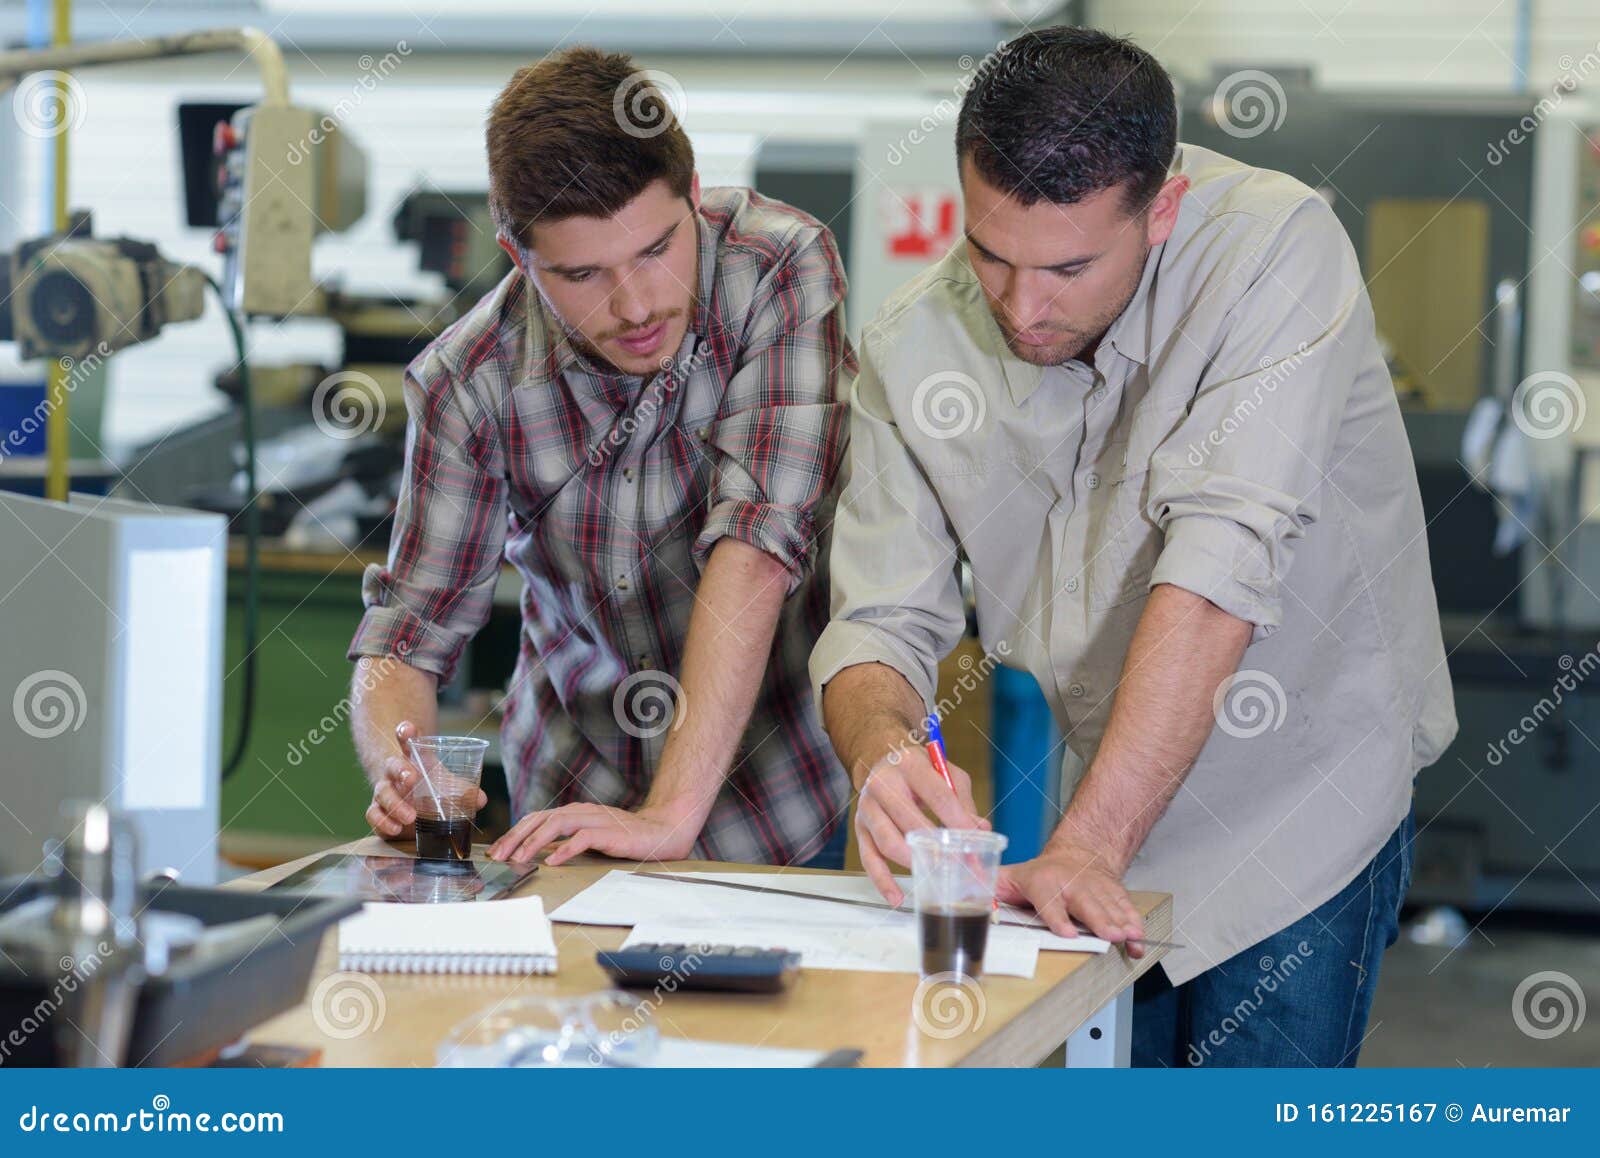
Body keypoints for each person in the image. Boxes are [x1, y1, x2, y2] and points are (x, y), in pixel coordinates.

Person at [810, 27, 1456, 1066]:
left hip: (1300, 805)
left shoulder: (1276, 251)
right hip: (1108, 797)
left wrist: (1086, 845)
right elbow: (877, 623)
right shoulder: (910, 347)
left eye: (1068, 265)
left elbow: (1215, 573)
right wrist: (883, 754)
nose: (1022, 309)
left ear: (1161, 208)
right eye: (989, 254)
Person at [350, 47, 854, 870]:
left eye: (656, 250)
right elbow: (407, 633)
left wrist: (670, 816)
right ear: (519, 258)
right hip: (571, 803)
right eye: (583, 274)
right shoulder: (464, 382)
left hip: (781, 803)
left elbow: (759, 546)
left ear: (693, 196)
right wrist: (404, 770)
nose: (637, 304)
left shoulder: (779, 269)